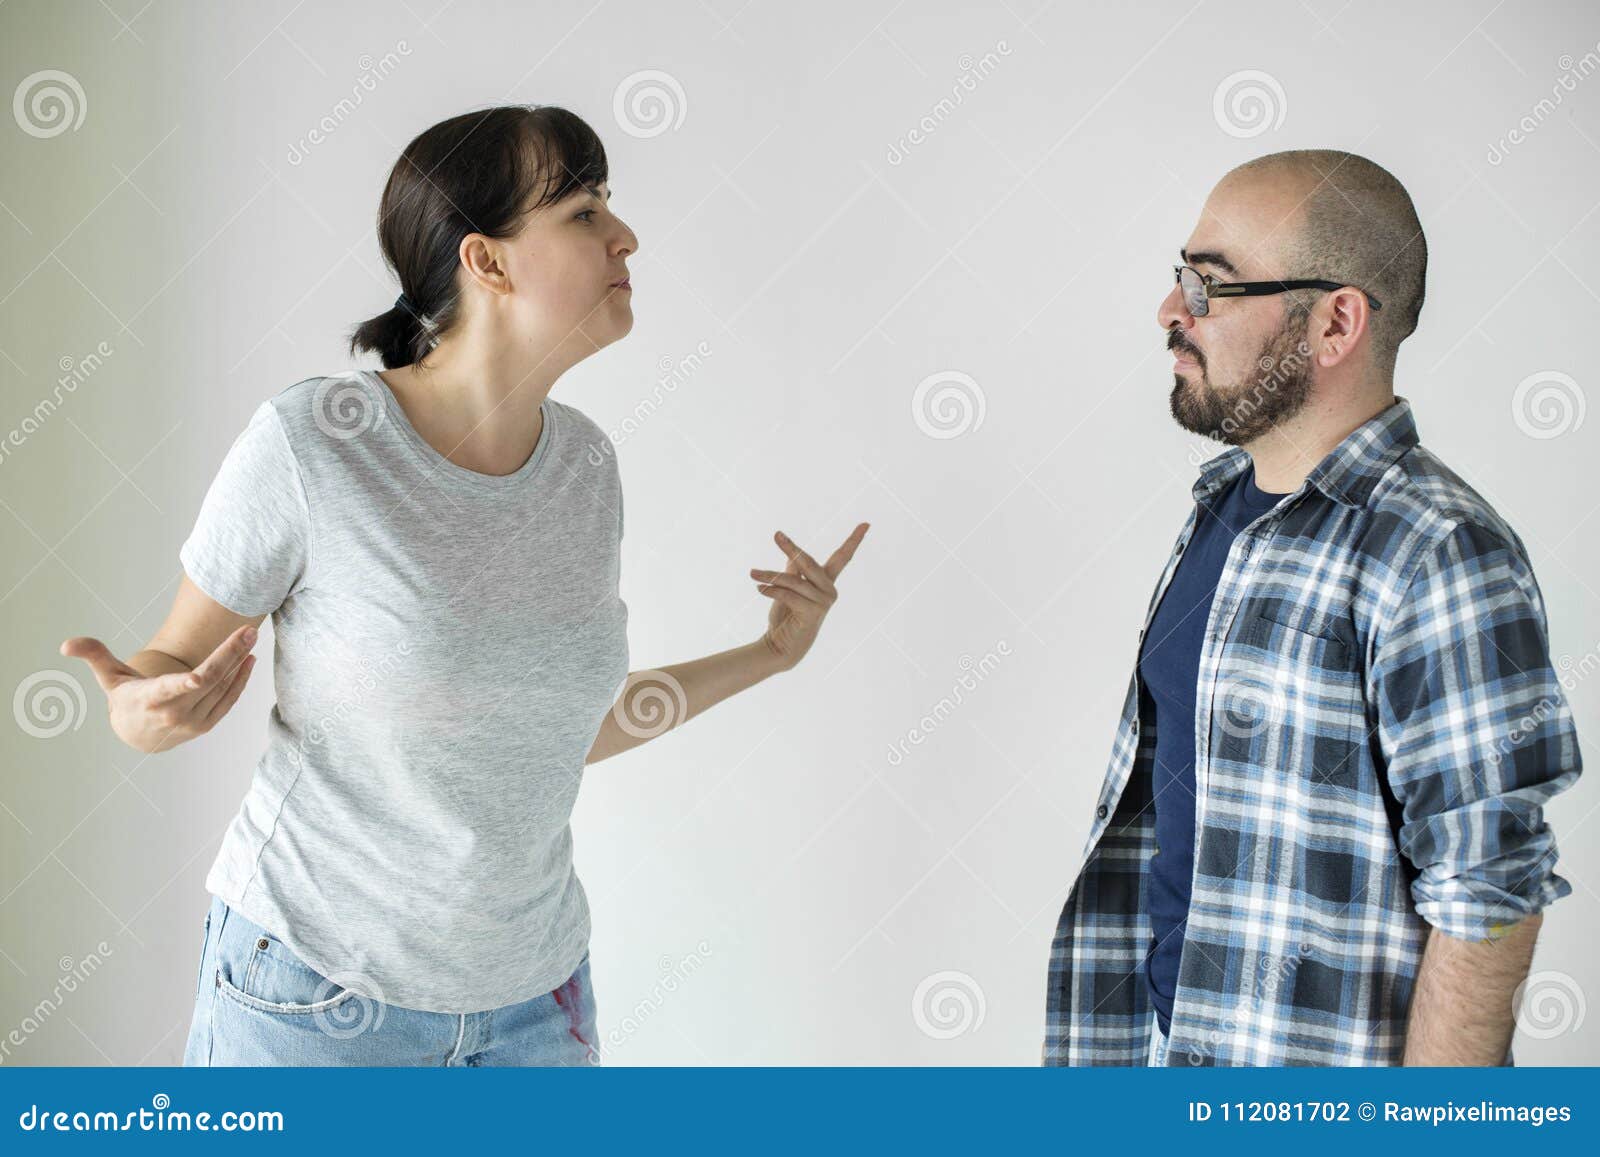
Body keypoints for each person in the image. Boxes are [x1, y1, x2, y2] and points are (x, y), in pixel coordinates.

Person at [59, 105, 869, 1066]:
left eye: (610, 202)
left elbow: (553, 731)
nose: (625, 235)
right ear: (485, 261)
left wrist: (773, 653)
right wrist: (150, 710)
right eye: (581, 210)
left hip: (538, 1006)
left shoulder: (585, 467)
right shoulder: (318, 443)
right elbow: (159, 670)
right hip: (316, 995)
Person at [1043, 149, 1581, 1067]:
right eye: (1181, 279)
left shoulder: (1439, 551)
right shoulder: (1219, 513)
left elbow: (1487, 890)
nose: (1173, 313)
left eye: (1211, 287)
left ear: (1336, 322)